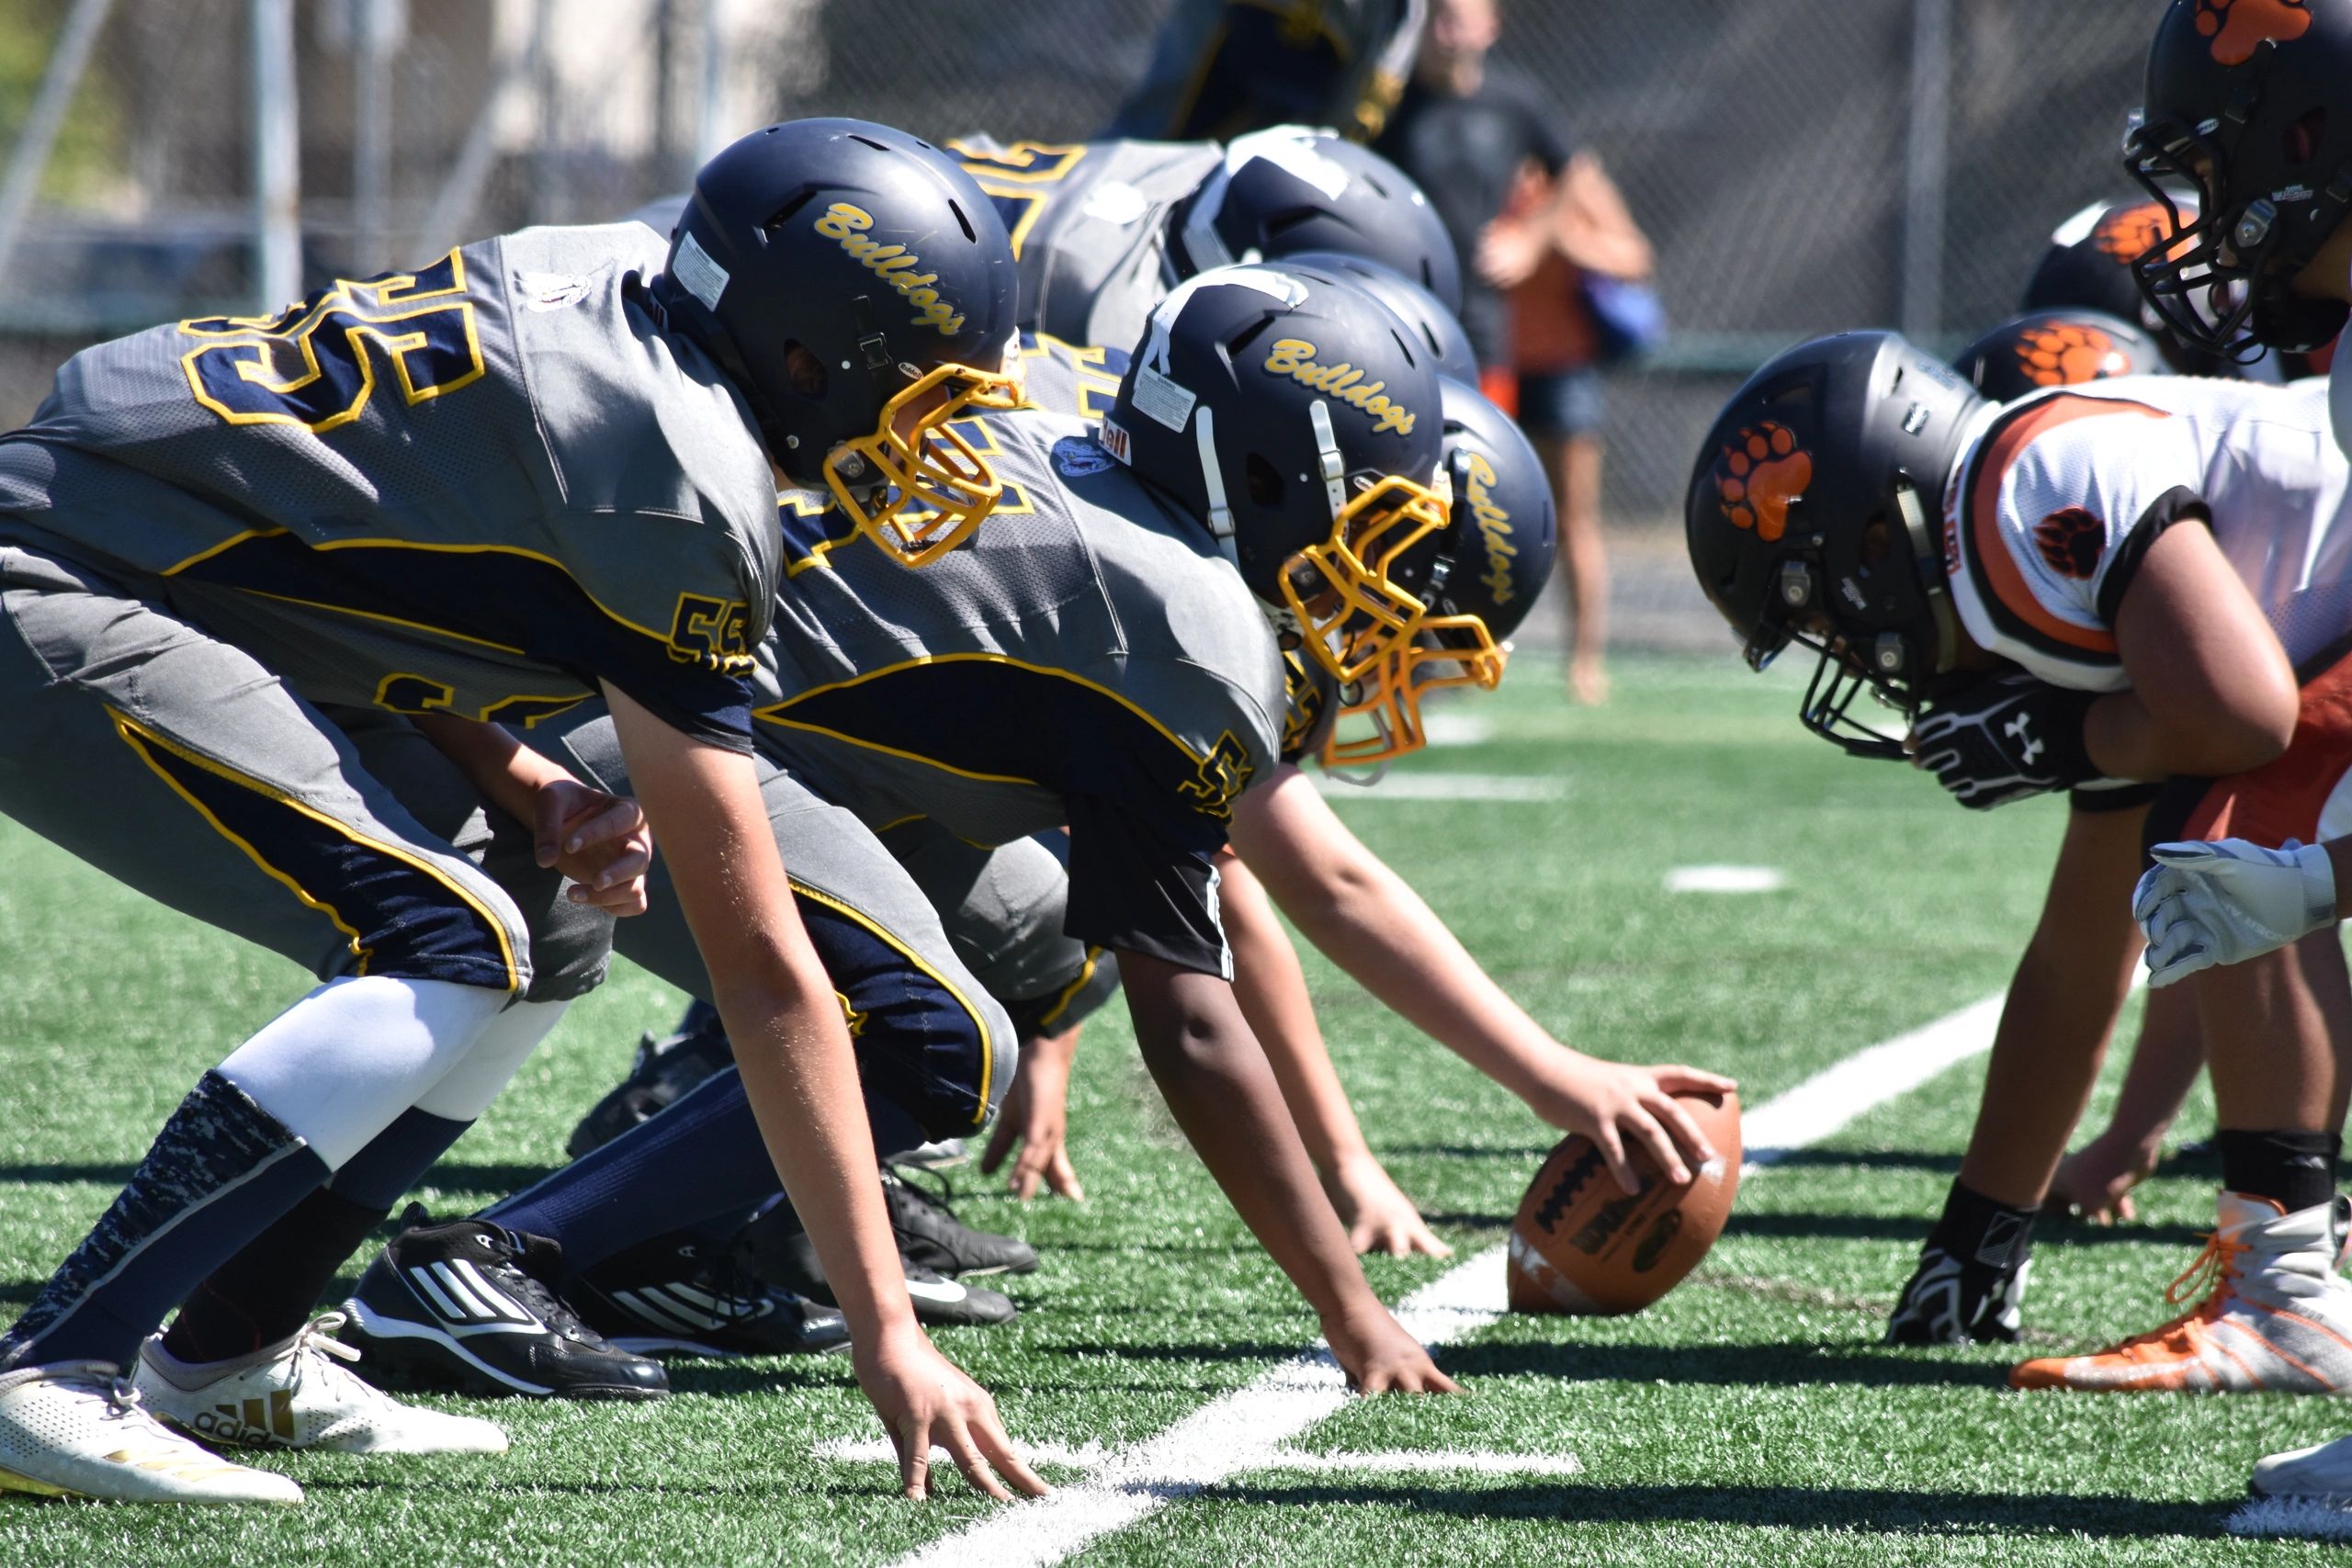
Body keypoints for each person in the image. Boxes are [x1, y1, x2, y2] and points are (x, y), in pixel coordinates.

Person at [0, 118, 1050, 1505]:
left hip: (175, 571)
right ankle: (52, 1372)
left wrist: (529, 777)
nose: (925, 433)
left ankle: (229, 1349)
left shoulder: (616, 277)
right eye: (910, 389)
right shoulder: (679, 473)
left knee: (550, 917)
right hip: (63, 579)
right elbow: (760, 964)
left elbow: (355, 543)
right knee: (439, 935)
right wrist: (886, 1323)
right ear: (801, 355)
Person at [341, 267, 1485, 1404]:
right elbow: (1190, 1028)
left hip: (600, 694)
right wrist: (1348, 1306)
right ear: (1265, 472)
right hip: (615, 730)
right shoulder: (1189, 628)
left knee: (1014, 945)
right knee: (940, 1039)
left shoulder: (1073, 447)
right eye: (1371, 515)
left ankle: (655, 1244)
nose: (1375, 572)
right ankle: (487, 1264)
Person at [1685, 331, 2352, 1393]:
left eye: (1819, 612)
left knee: (2219, 829)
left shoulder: (2019, 492)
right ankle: (2295, 1275)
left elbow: (2242, 716)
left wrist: (2057, 739)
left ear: (1873, 539)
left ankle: (2286, 1296)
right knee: (2202, 829)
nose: (1846, 655)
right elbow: (2083, 948)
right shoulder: (2017, 528)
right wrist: (1980, 1234)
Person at [1374, 0, 1649, 705]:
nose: (1447, 28)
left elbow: (1582, 187)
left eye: (1461, 14)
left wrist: (1533, 238)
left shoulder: (1515, 103)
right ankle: (1427, 659)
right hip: (1410, 331)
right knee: (1421, 500)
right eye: (1435, 14)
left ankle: (1576, 661)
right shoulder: (1387, 102)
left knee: (1504, 498)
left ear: (1490, 24)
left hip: (1491, 338)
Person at [1104, 0, 1425, 144]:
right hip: (1228, 55)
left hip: (1301, 110)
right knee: (1148, 138)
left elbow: (1363, 107)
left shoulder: (1400, 13)